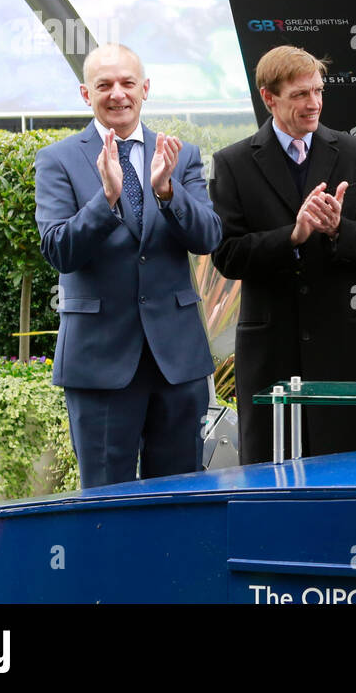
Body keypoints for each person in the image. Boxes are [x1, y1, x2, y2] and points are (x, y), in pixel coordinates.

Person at [35, 43, 221, 488]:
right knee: (105, 501)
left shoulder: (182, 155)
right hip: (99, 363)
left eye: (127, 83)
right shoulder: (58, 159)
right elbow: (59, 249)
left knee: (179, 497)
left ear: (145, 89)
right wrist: (107, 199)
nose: (117, 94)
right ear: (86, 94)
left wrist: (167, 193)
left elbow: (209, 237)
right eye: (104, 85)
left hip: (175, 361)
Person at [209, 46, 356, 463]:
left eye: (319, 91)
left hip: (344, 350)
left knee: (351, 472)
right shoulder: (233, 162)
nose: (314, 104)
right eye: (300, 95)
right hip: (272, 351)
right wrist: (291, 235)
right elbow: (228, 256)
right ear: (268, 98)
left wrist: (336, 229)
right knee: (274, 477)